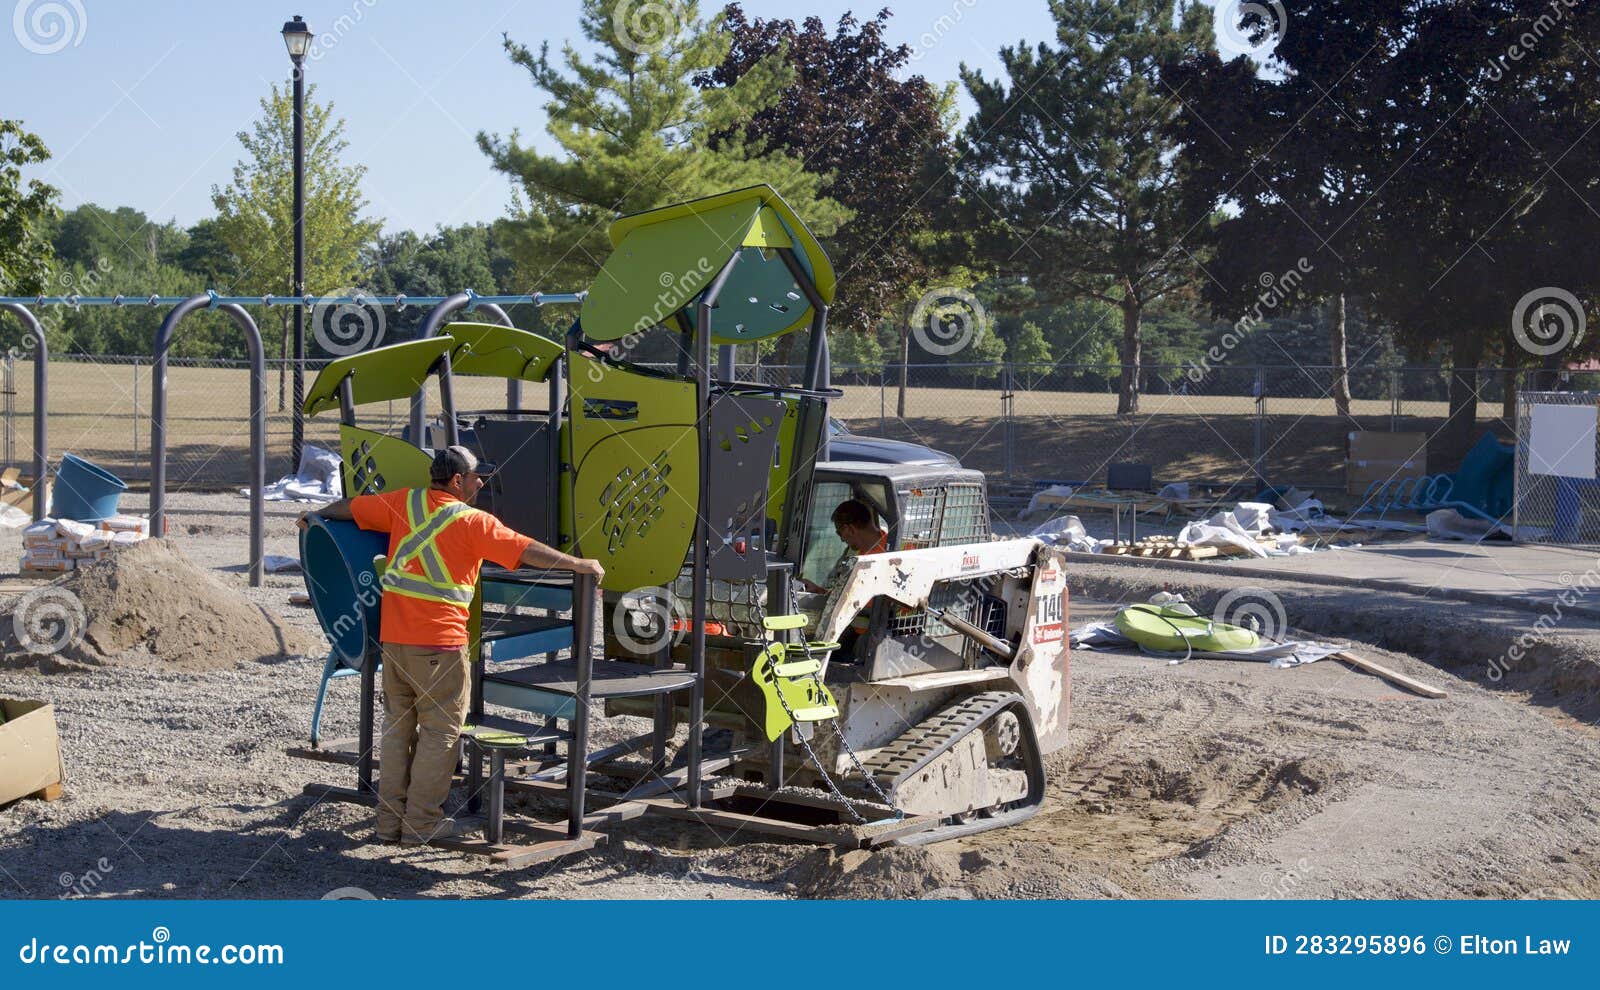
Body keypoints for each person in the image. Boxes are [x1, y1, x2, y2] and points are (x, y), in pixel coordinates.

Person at [298, 445, 604, 846]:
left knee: (396, 730)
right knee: (441, 733)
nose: (481, 483)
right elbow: (526, 550)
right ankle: (422, 824)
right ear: (458, 480)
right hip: (439, 646)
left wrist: (315, 516)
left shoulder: (404, 504)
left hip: (395, 643)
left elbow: (351, 508)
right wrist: (579, 564)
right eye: (478, 477)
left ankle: (388, 823)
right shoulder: (473, 521)